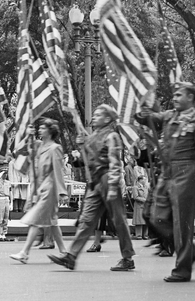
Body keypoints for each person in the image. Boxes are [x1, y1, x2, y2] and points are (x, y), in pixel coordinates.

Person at [135, 84, 195, 282]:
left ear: (191, 97)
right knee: (155, 216)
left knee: (182, 223)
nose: (175, 98)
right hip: (167, 171)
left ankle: (182, 269)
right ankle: (190, 252)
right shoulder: (169, 116)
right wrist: (141, 112)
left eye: (179, 95)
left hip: (186, 171)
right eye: (174, 95)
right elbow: (150, 119)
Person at [48, 105, 137, 273]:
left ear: (108, 119)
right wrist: (78, 155)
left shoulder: (112, 137)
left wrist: (113, 186)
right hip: (94, 183)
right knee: (87, 220)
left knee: (119, 220)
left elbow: (116, 163)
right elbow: (84, 161)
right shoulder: (92, 137)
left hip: (108, 180)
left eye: (98, 115)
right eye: (94, 114)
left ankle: (127, 258)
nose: (94, 117)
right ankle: (71, 256)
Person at [10, 119, 68, 263]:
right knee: (52, 222)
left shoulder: (55, 148)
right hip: (40, 188)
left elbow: (58, 171)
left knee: (36, 220)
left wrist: (62, 192)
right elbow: (18, 150)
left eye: (42, 128)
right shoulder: (38, 146)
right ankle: (64, 252)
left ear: (50, 131)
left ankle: (24, 253)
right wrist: (27, 135)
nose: (39, 130)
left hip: (51, 188)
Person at [132, 173, 148, 240]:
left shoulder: (145, 188)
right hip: (139, 205)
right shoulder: (135, 187)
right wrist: (145, 200)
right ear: (140, 180)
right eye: (144, 179)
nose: (145, 181)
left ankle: (145, 235)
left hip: (145, 206)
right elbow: (136, 197)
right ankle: (138, 235)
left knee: (145, 221)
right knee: (139, 221)